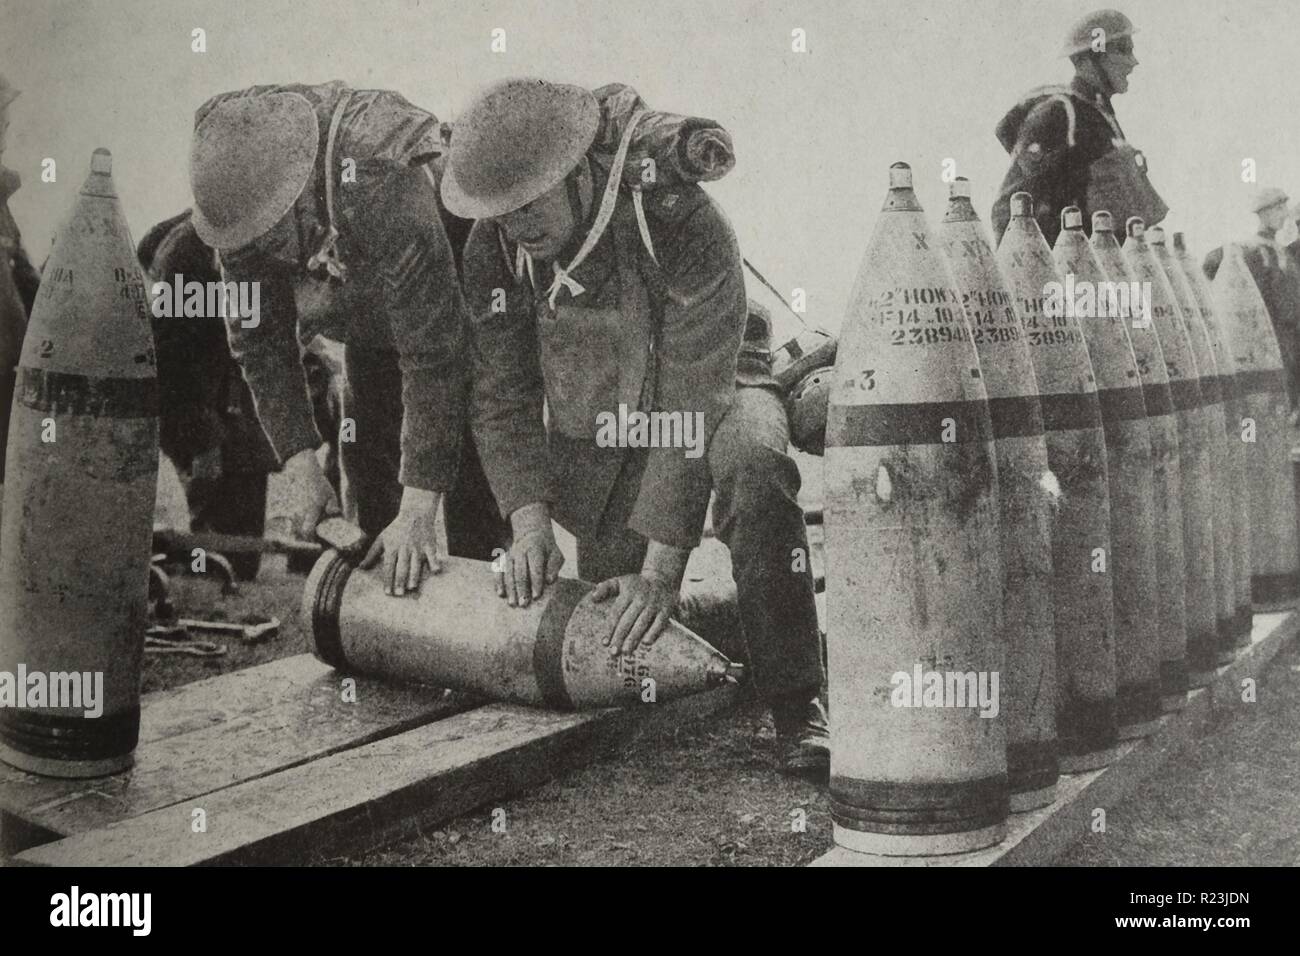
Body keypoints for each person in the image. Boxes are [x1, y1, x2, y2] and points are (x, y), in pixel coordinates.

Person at [444, 78, 829, 776]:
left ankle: (800, 704)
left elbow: (694, 391)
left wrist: (664, 565)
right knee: (625, 624)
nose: (518, 228)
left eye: (530, 204)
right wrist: (528, 523)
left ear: (577, 171)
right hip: (605, 427)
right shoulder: (493, 249)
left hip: (717, 384)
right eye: (502, 214)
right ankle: (746, 633)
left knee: (753, 461)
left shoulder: (679, 218)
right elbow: (501, 391)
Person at [188, 82, 507, 595]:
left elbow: (436, 352)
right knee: (364, 456)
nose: (260, 255)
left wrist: (420, 506)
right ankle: (385, 622)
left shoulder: (377, 169)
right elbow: (260, 345)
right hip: (369, 316)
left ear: (298, 197)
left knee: (470, 466)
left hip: (454, 300)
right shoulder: (241, 194)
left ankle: (484, 620)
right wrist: (299, 464)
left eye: (269, 238)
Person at [992, 8, 1167, 247]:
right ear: (1090, 57)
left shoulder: (1102, 119)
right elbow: (1011, 209)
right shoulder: (1061, 113)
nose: (1133, 61)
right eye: (1123, 50)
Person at [1203, 187, 1300, 410]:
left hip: (1291, 331)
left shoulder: (1280, 250)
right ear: (1263, 214)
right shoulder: (1253, 249)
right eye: (1278, 209)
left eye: (1284, 207)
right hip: (1273, 333)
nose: (1284, 214)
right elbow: (1211, 265)